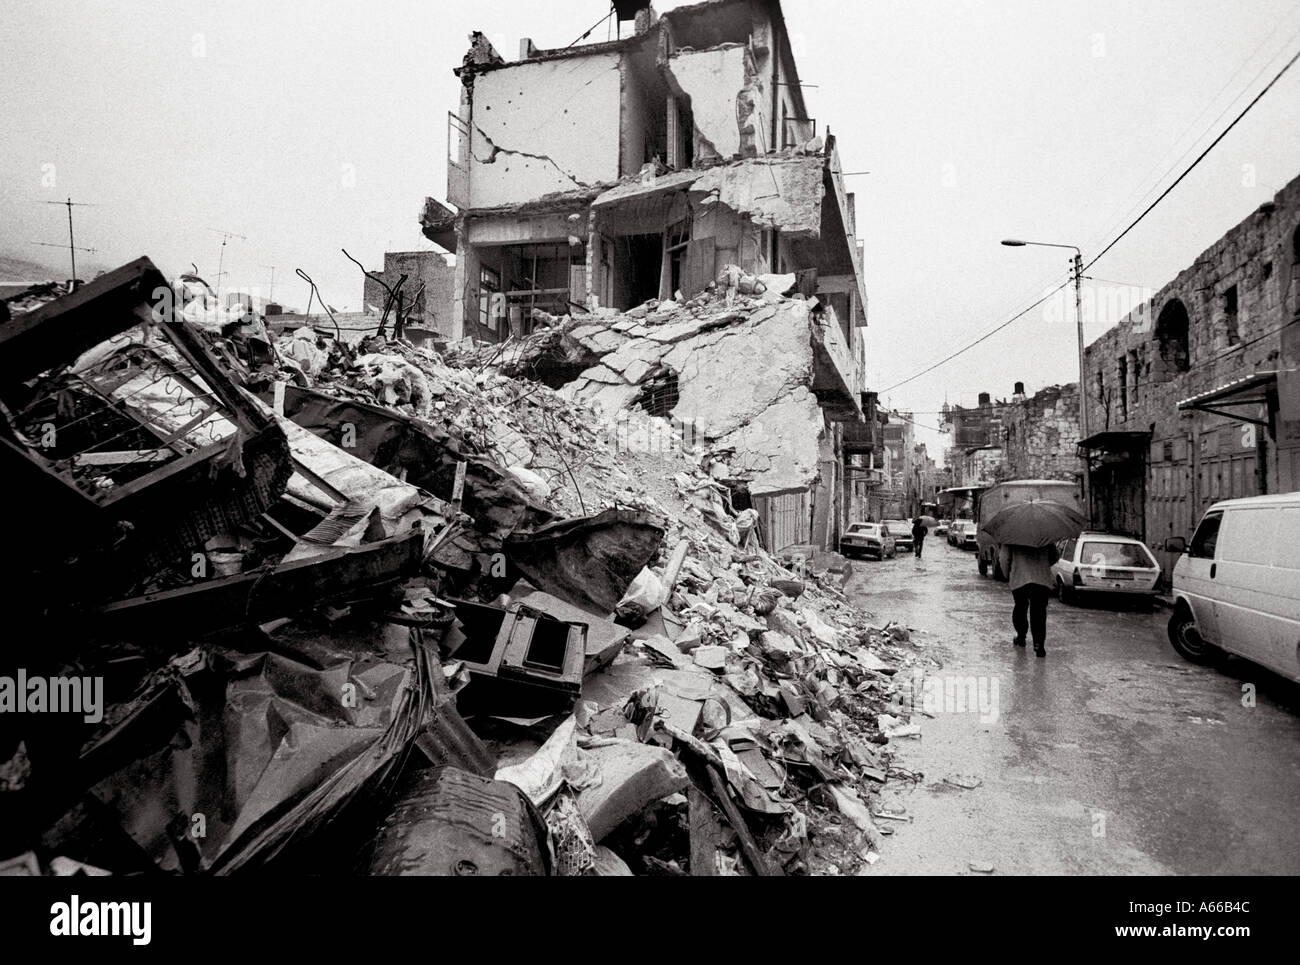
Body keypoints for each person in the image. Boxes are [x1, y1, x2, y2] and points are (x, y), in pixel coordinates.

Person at [997, 541, 1060, 657]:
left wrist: (1007, 575)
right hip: (1041, 579)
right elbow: (1055, 556)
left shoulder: (1011, 535)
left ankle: (1021, 637)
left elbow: (1004, 559)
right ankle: (1039, 644)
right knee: (1039, 612)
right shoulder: (1045, 535)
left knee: (1020, 606)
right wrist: (1043, 565)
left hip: (1019, 579)